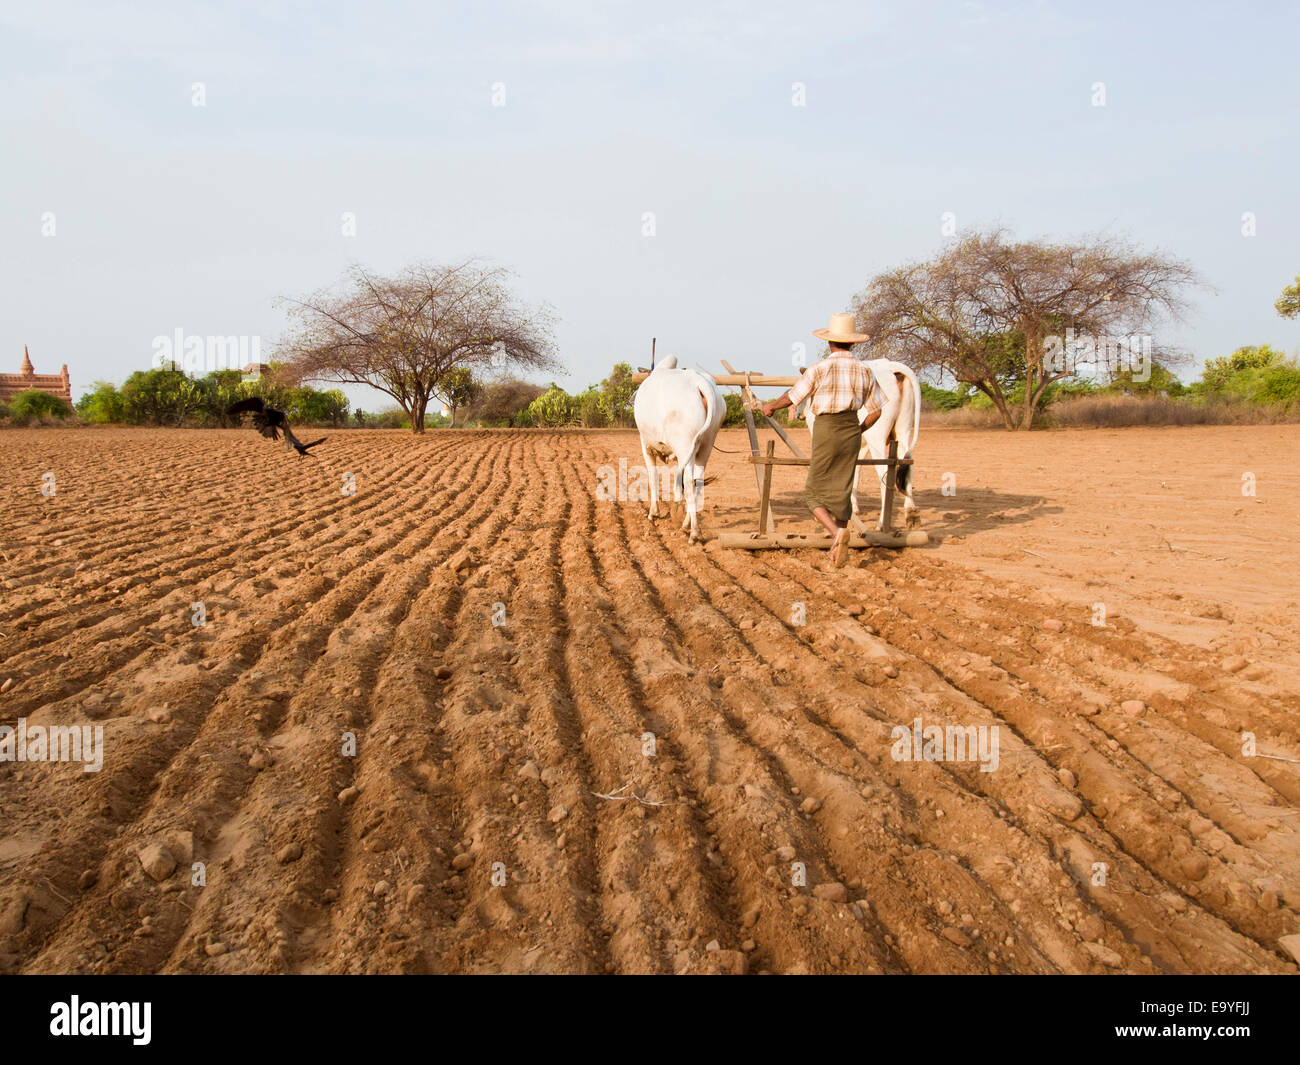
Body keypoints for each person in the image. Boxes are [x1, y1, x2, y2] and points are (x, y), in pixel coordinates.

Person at [762, 312, 883, 567]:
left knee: (813, 495)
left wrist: (770, 406)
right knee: (842, 490)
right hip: (851, 429)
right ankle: (839, 546)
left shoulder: (820, 368)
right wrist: (858, 430)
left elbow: (793, 397)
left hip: (826, 429)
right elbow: (876, 410)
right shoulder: (865, 370)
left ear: (830, 342)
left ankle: (837, 533)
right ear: (853, 343)